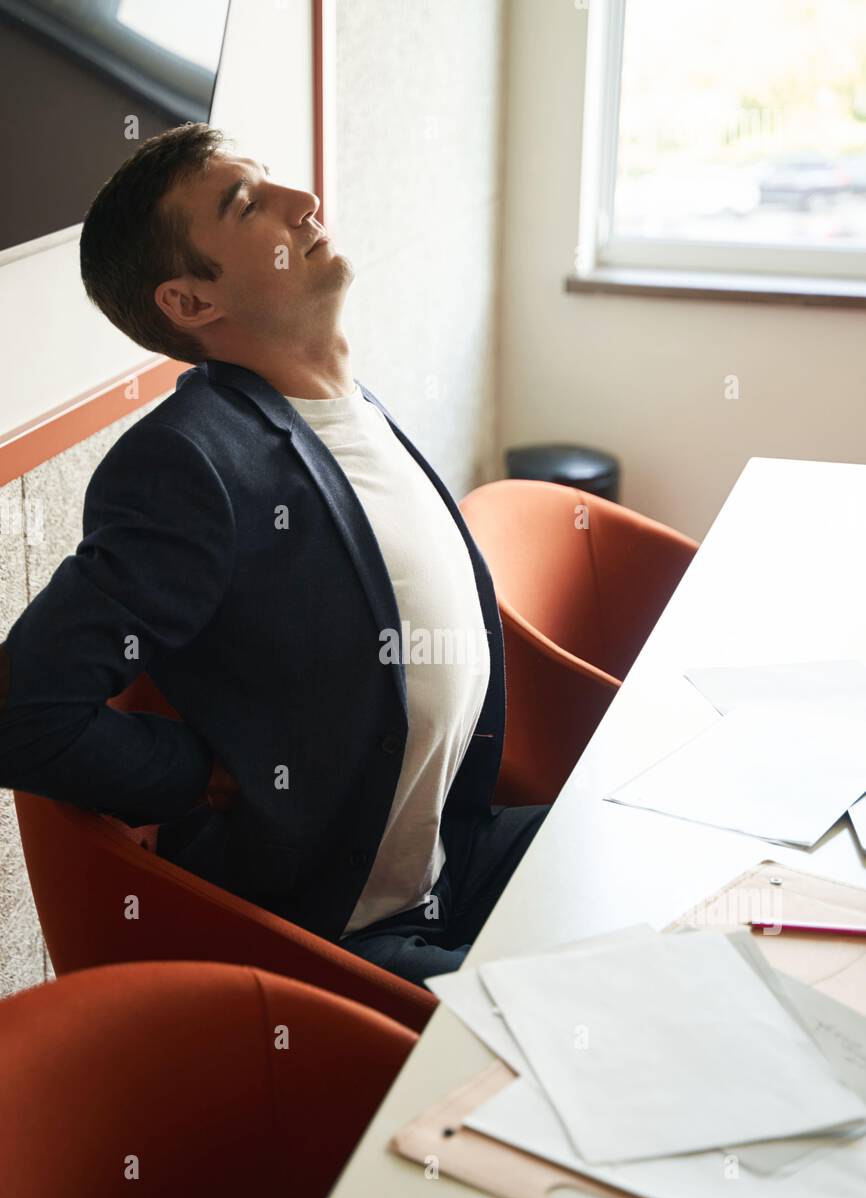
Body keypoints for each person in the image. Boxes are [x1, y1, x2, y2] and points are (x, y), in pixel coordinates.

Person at [0, 123, 548, 987]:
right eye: (247, 204)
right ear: (188, 302)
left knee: (687, 872)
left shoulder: (349, 403)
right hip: (340, 930)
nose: (304, 202)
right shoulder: (190, 464)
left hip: (459, 857)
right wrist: (205, 773)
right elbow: (24, 713)